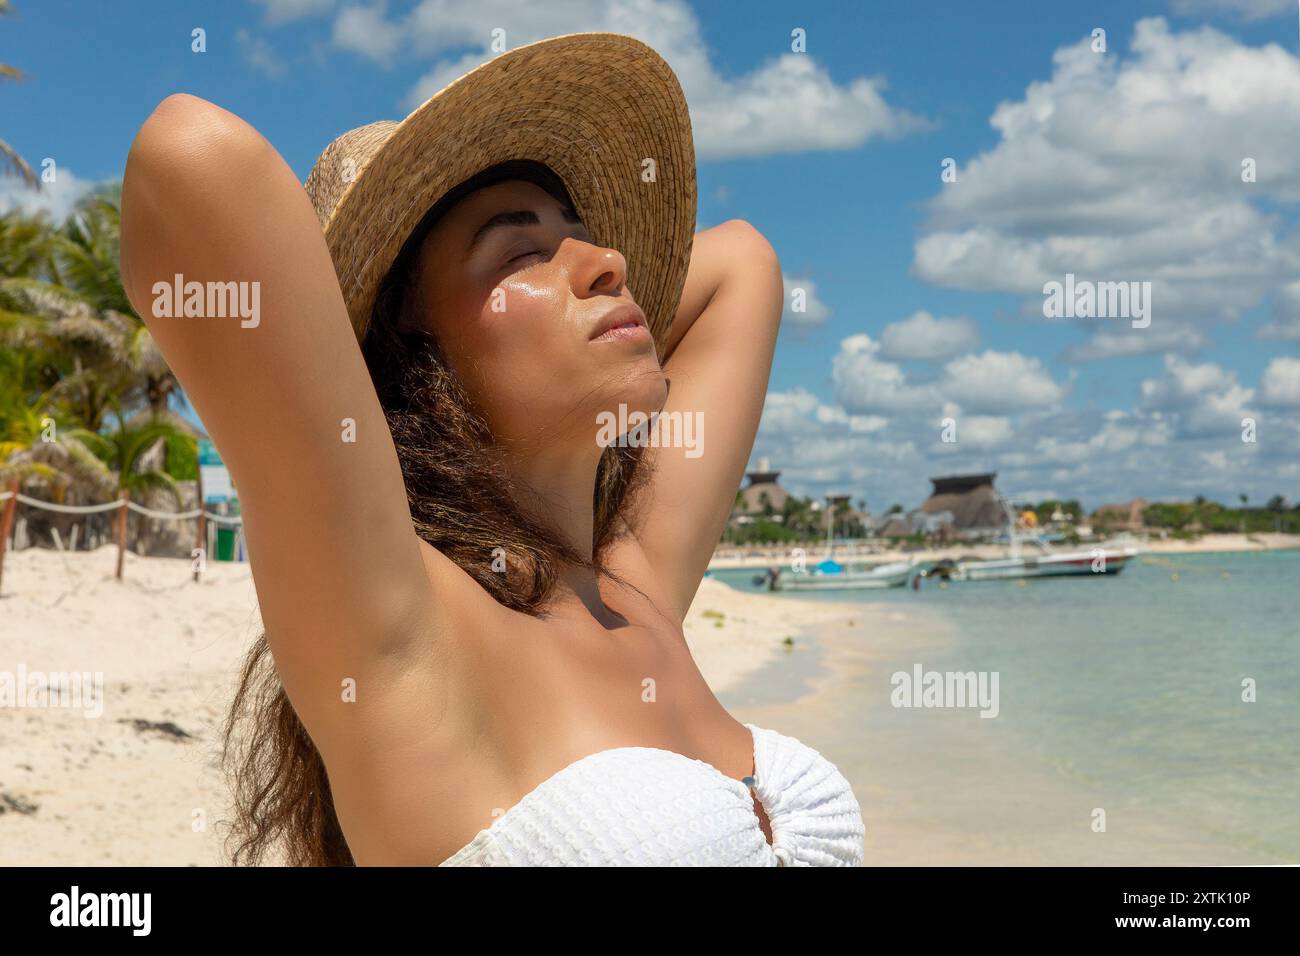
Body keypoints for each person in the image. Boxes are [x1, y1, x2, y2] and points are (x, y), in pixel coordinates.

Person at [119, 32, 864, 866]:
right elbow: (186, 153)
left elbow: (745, 265)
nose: (608, 262)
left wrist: (568, 305)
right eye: (520, 249)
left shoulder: (632, 587)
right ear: (411, 341)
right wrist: (366, 331)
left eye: (584, 235)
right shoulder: (405, 623)